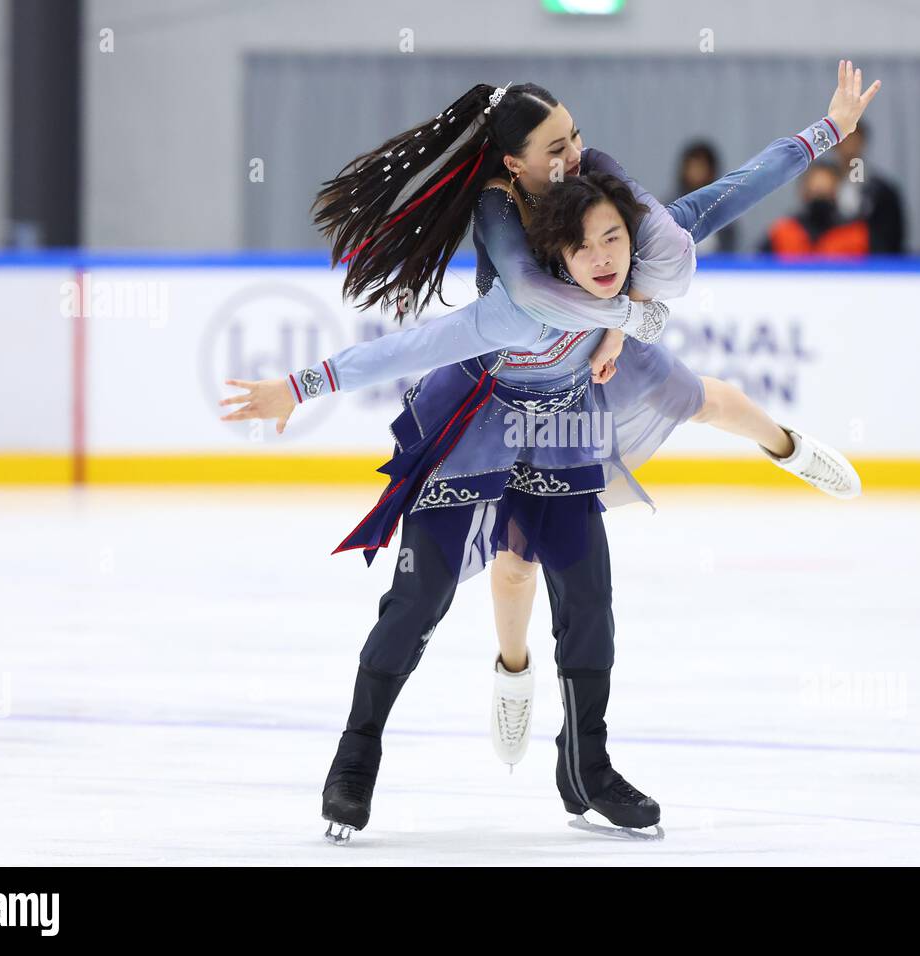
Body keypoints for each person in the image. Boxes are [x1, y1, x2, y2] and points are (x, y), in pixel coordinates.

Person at [221, 63, 879, 841]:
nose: (573, 152)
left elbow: (729, 192)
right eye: (555, 145)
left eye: (575, 138)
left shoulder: (604, 219)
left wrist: (825, 132)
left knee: (592, 587)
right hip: (478, 417)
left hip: (566, 414)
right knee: (423, 597)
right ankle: (364, 745)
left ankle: (586, 762)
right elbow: (407, 347)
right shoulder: (509, 290)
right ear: (515, 167)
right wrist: (299, 386)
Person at [765, 158, 869, 257]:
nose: (820, 194)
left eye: (825, 192)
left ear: (837, 191)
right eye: (815, 191)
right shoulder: (784, 232)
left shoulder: (854, 235)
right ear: (803, 191)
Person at [835, 119, 906, 253]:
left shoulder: (882, 190)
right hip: (830, 259)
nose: (849, 146)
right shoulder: (823, 186)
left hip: (871, 261)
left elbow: (892, 235)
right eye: (844, 139)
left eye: (854, 139)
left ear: (862, 142)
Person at [674, 140, 740, 254]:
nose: (694, 172)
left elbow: (728, 250)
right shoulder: (671, 208)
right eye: (691, 166)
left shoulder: (723, 212)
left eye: (700, 166)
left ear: (711, 171)